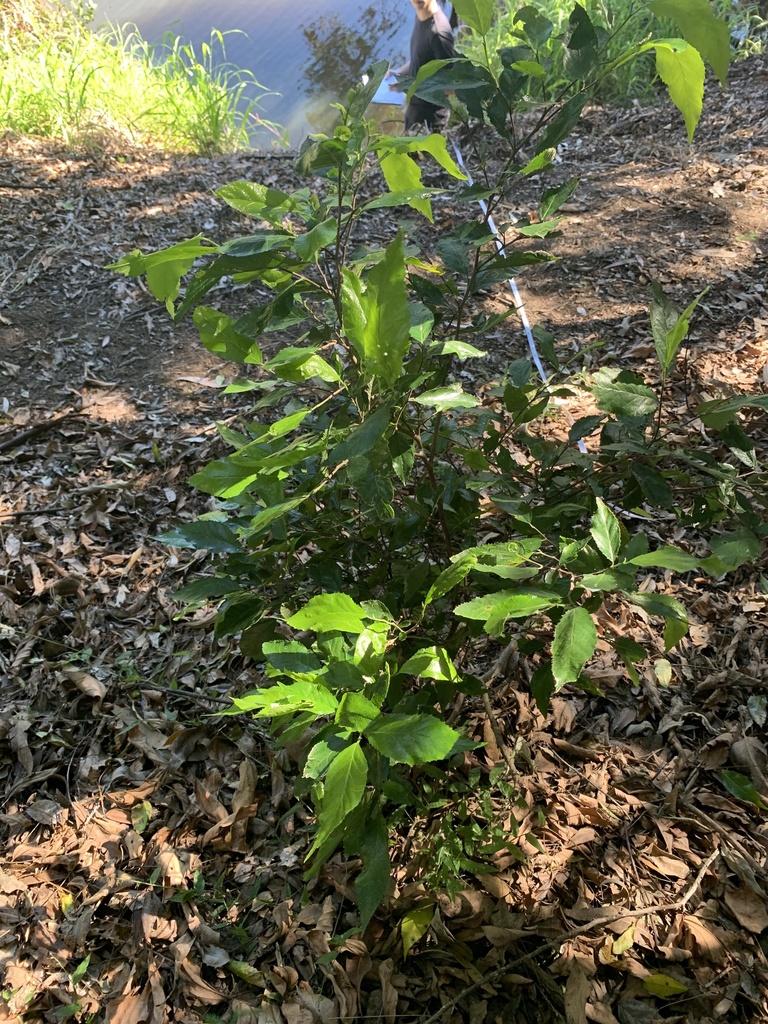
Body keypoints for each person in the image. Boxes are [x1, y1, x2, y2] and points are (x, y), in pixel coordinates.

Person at [390, 0, 455, 134]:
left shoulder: (438, 34)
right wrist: (397, 73)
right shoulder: (421, 15)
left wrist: (412, 85)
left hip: (430, 122)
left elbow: (454, 86)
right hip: (416, 112)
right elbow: (422, 59)